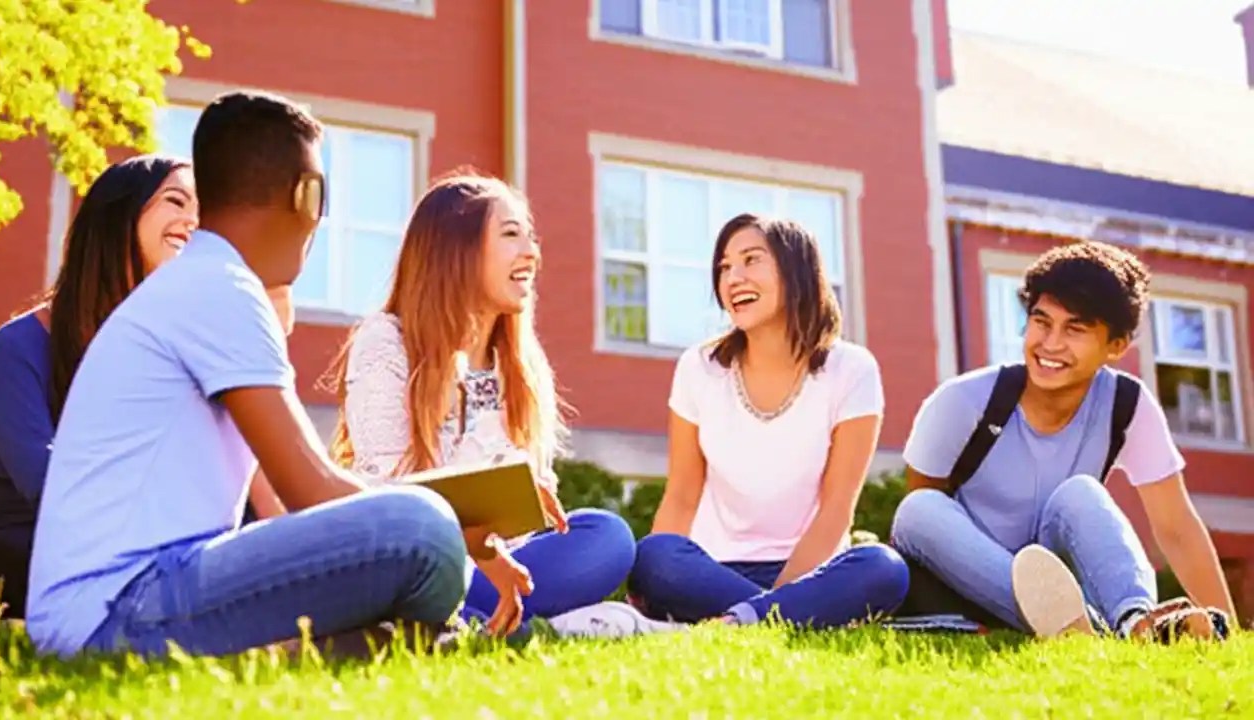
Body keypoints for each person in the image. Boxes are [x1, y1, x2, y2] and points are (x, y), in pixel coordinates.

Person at [25, 90, 471, 658]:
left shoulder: (203, 281)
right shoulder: (220, 287)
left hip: (120, 602)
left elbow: (292, 502)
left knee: (424, 530)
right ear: (305, 195)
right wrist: (460, 530)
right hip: (118, 609)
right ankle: (395, 636)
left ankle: (345, 650)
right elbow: (311, 489)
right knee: (423, 530)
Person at [328, 171, 670, 639]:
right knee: (417, 575)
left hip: (500, 567)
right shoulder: (387, 342)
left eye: (531, 237)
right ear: (458, 249)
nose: (532, 252)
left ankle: (473, 625)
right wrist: (484, 518)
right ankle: (537, 627)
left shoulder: (521, 365)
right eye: (511, 235)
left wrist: (525, 497)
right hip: (419, 561)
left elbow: (528, 518)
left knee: (607, 537)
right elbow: (389, 497)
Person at [892, 240, 1235, 641]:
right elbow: (926, 533)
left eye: (1075, 329)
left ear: (1116, 346)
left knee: (1081, 493)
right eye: (1042, 322)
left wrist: (1227, 629)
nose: (1051, 344)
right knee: (918, 508)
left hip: (1062, 582)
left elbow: (1176, 528)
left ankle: (1135, 622)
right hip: (967, 582)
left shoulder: (1127, 406)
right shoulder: (962, 401)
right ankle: (1068, 622)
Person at [627, 214, 910, 629]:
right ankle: (778, 616)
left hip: (812, 571)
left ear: (796, 270)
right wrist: (650, 582)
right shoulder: (699, 367)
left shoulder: (852, 369)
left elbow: (837, 507)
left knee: (885, 568)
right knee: (655, 556)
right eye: (724, 267)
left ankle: (748, 617)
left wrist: (789, 590)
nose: (733, 278)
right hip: (712, 571)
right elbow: (682, 495)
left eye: (751, 260)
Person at [0, 155, 197, 619]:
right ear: (120, 216)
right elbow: (46, 483)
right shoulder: (19, 347)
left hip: (151, 563)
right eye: (176, 201)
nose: (192, 222)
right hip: (33, 569)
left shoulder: (175, 350)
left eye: (202, 212)